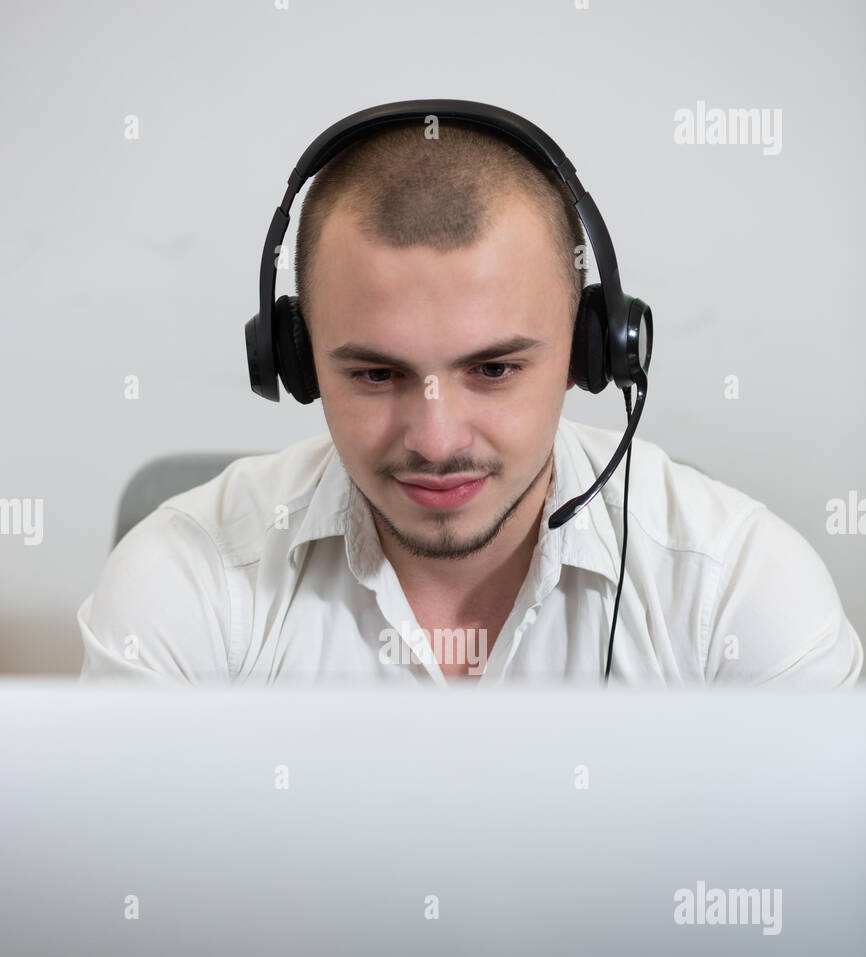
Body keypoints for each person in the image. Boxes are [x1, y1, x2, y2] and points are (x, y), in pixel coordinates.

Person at [77, 121, 862, 687]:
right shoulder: (185, 579)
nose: (436, 438)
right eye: (377, 375)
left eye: (492, 368)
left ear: (591, 354)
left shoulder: (737, 589)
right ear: (296, 360)